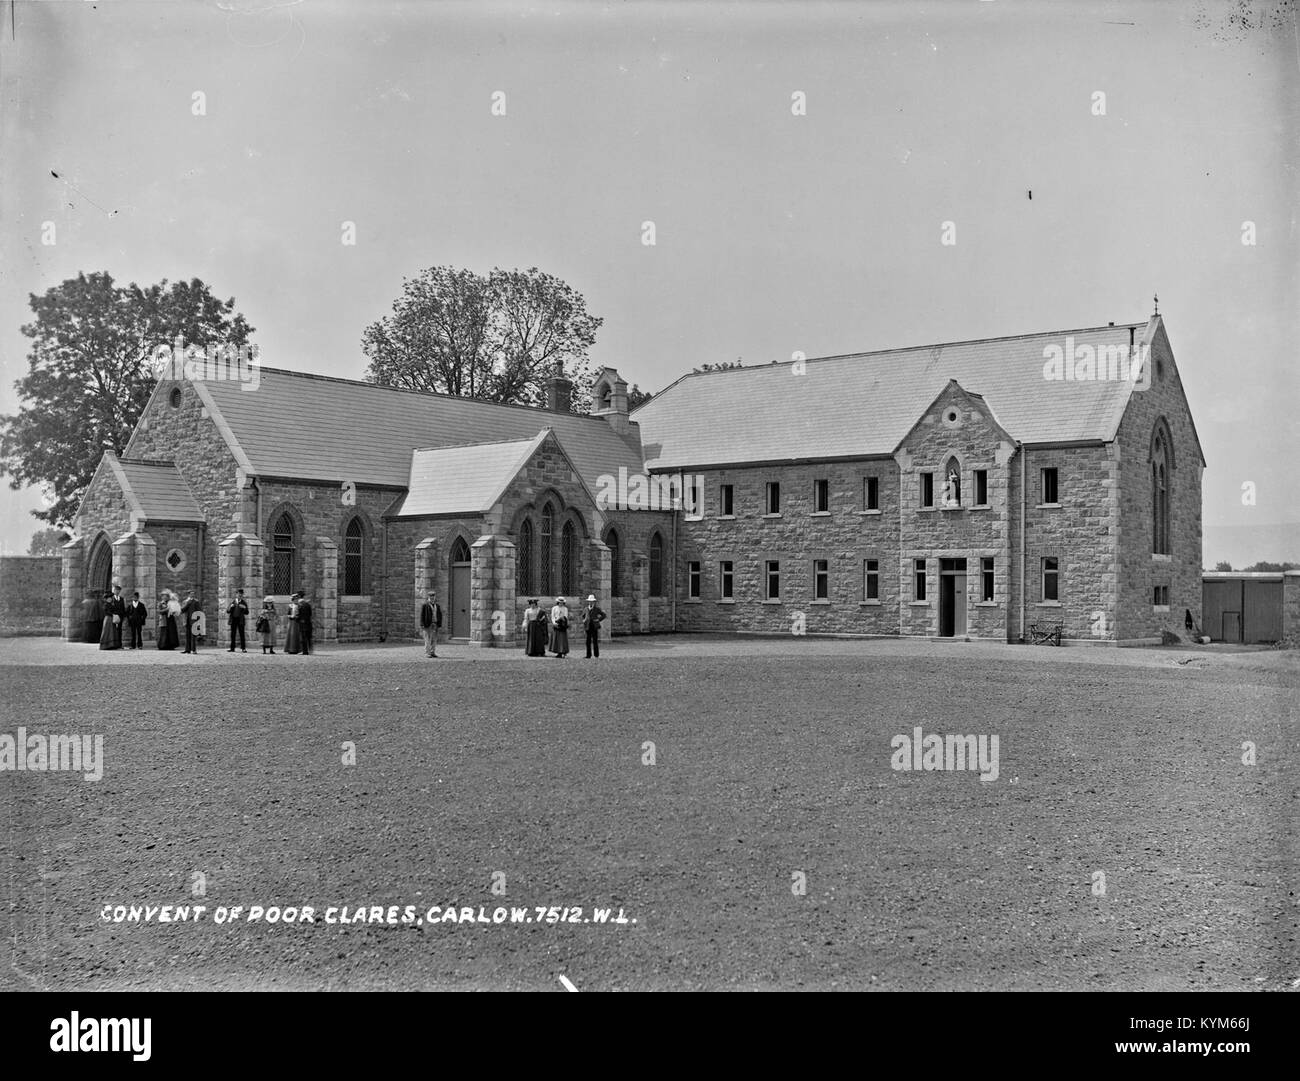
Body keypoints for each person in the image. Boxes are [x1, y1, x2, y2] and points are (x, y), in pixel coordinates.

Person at [580, 594, 607, 659]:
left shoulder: (597, 609)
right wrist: (584, 620)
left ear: (594, 602)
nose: (591, 602)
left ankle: (596, 655)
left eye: (592, 601)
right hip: (588, 626)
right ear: (588, 602)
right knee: (588, 641)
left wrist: (598, 620)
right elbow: (583, 616)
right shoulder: (586, 609)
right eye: (590, 601)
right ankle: (588, 655)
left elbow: (604, 615)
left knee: (595, 641)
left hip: (594, 626)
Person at [419, 592, 443, 658]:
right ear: (428, 597)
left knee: (434, 639)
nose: (432, 598)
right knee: (427, 639)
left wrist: (439, 623)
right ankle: (427, 653)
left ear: (435, 597)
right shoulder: (425, 605)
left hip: (435, 624)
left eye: (433, 597)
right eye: (431, 597)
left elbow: (439, 615)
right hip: (427, 624)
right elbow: (422, 615)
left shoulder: (437, 605)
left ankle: (432, 652)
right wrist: (422, 624)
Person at [227, 588, 249, 653]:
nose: (240, 595)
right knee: (232, 634)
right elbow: (227, 611)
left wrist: (244, 608)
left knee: (242, 634)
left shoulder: (244, 602)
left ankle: (243, 648)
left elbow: (247, 612)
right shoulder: (233, 602)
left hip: (240, 620)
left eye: (241, 594)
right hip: (233, 619)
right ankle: (232, 648)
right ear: (236, 594)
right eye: (239, 594)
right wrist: (231, 607)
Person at [107, 584, 127, 648]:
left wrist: (123, 616)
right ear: (114, 591)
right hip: (114, 617)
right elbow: (109, 608)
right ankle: (114, 644)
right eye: (116, 590)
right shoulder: (111, 599)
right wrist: (113, 614)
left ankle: (119, 644)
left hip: (120, 617)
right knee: (113, 630)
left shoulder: (121, 599)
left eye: (119, 591)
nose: (117, 592)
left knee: (119, 630)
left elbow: (123, 608)